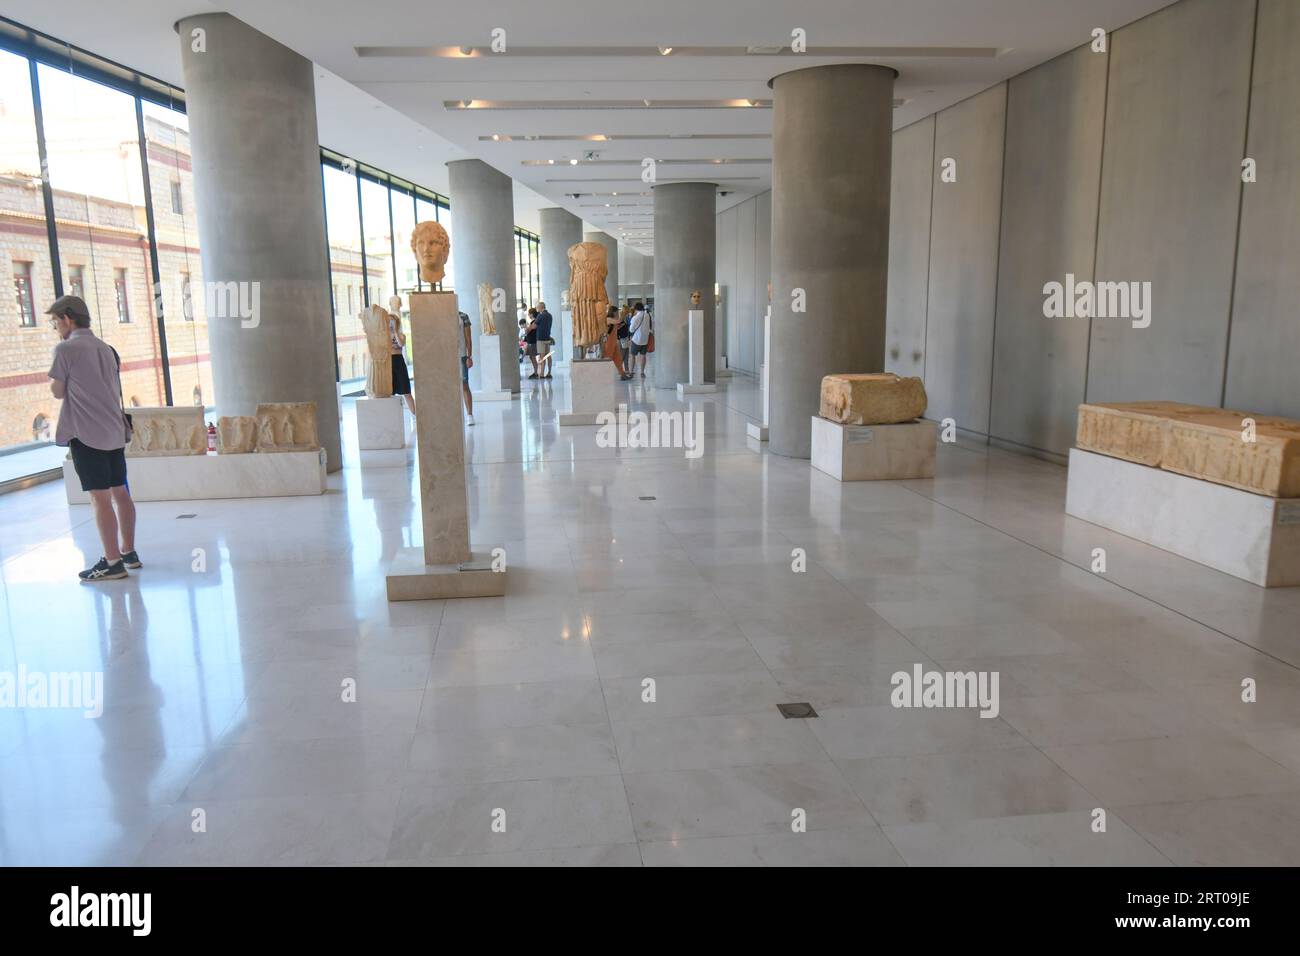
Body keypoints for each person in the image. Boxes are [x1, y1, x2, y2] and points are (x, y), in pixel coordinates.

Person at [46, 294, 139, 582]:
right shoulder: (106, 348)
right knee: (121, 493)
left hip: (87, 434)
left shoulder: (66, 349)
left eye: (55, 322)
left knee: (99, 499)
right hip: (114, 431)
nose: (56, 328)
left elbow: (58, 392)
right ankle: (128, 553)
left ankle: (112, 562)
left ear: (67, 318)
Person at [388, 304, 416, 417]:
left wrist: (395, 332)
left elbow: (401, 344)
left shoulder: (401, 335)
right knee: (390, 391)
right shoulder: (383, 335)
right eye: (388, 321)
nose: (390, 323)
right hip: (388, 362)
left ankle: (415, 415)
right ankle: (392, 416)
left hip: (398, 361)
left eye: (392, 321)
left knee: (406, 391)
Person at [603, 304, 632, 380]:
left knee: (618, 360)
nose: (617, 314)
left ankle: (623, 375)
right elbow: (618, 321)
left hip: (614, 343)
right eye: (616, 312)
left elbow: (617, 325)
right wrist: (624, 313)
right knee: (607, 360)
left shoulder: (613, 320)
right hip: (608, 343)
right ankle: (604, 376)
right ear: (612, 312)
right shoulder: (608, 319)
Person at [458, 310, 474, 426]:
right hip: (447, 356)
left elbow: (468, 338)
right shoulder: (442, 315)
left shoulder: (463, 316)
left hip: (462, 355)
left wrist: (469, 356)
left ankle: (469, 414)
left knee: (464, 384)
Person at [628, 301, 652, 379]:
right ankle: (642, 372)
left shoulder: (635, 317)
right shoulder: (647, 315)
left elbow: (631, 330)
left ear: (635, 309)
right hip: (645, 339)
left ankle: (631, 372)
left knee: (632, 356)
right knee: (643, 356)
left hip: (636, 340)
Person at [533, 301, 554, 379]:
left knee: (542, 357)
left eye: (537, 307)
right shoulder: (550, 315)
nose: (536, 308)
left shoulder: (540, 315)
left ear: (541, 307)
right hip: (547, 338)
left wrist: (528, 328)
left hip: (541, 338)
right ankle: (549, 372)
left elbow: (534, 326)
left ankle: (541, 374)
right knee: (548, 355)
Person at [524, 308, 540, 379]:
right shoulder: (533, 322)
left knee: (533, 357)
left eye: (529, 314)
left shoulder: (535, 322)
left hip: (533, 342)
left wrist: (527, 328)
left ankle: (536, 372)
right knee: (531, 357)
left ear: (532, 314)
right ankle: (535, 371)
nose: (528, 315)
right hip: (531, 342)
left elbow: (528, 330)